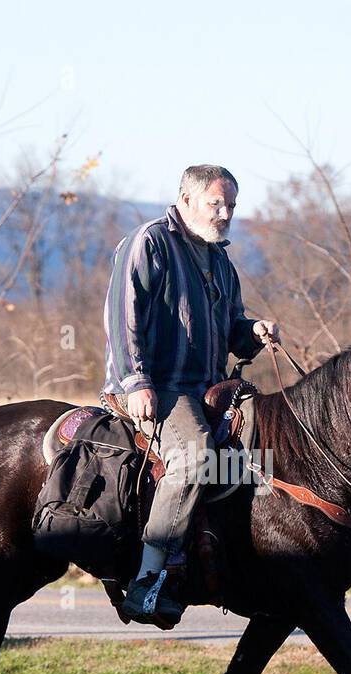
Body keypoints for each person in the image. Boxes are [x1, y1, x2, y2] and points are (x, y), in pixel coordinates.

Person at [102, 164, 280, 625]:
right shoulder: (149, 242)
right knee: (197, 454)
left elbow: (233, 332)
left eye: (231, 206)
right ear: (186, 199)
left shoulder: (221, 260)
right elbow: (123, 317)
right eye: (216, 204)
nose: (225, 214)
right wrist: (134, 381)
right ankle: (147, 580)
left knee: (269, 450)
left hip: (209, 388)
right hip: (159, 386)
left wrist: (253, 331)